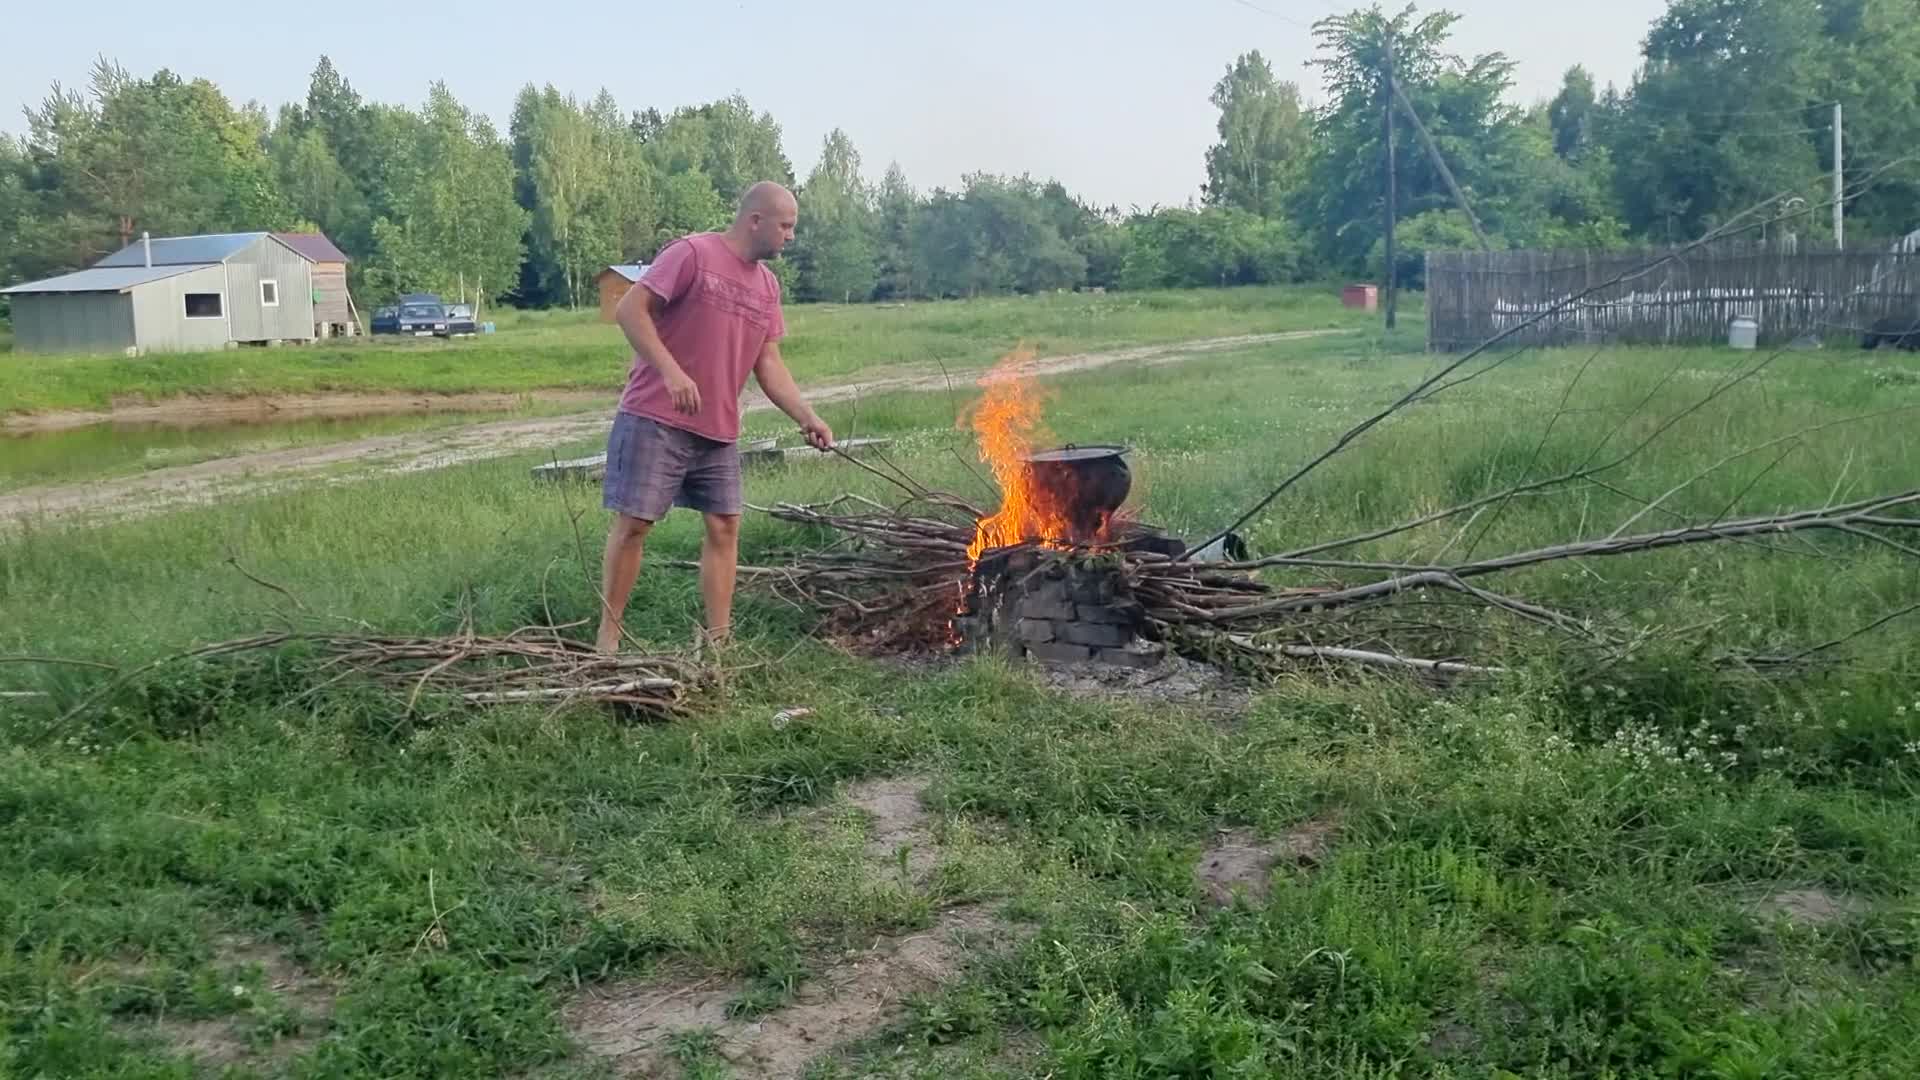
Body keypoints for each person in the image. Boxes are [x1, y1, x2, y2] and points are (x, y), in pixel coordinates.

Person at [596, 181, 833, 653]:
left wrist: (806, 415)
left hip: (718, 430)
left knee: (725, 526)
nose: (790, 236)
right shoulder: (692, 254)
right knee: (635, 525)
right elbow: (630, 310)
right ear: (755, 220)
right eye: (785, 226)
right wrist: (671, 372)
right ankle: (608, 638)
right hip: (655, 417)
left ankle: (720, 641)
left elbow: (769, 363)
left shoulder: (767, 286)